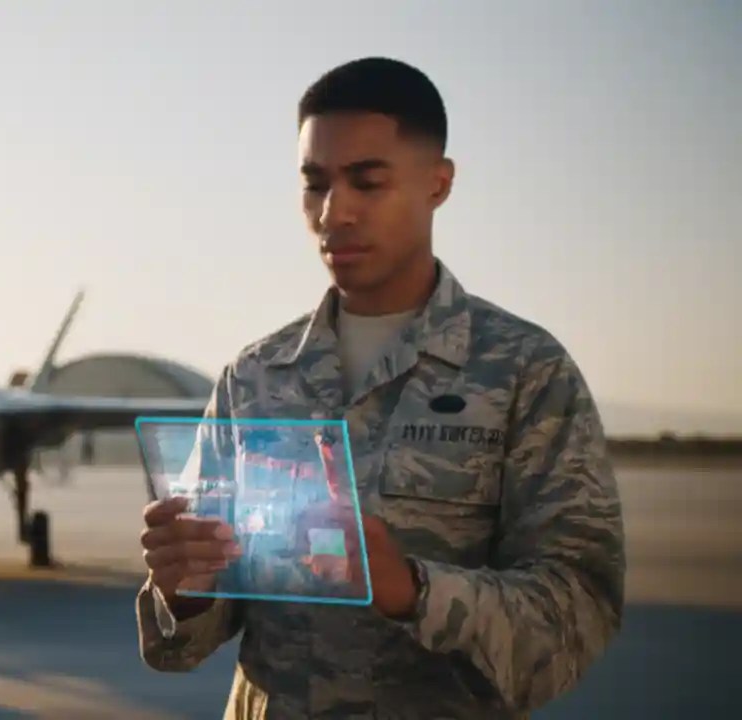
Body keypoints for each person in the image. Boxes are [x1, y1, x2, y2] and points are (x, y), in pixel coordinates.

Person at [135, 57, 626, 718]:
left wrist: (412, 588)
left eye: (367, 182)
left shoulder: (524, 371)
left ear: (438, 183)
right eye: (315, 185)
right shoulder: (255, 377)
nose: (334, 214)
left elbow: (577, 610)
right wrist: (189, 590)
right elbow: (188, 636)